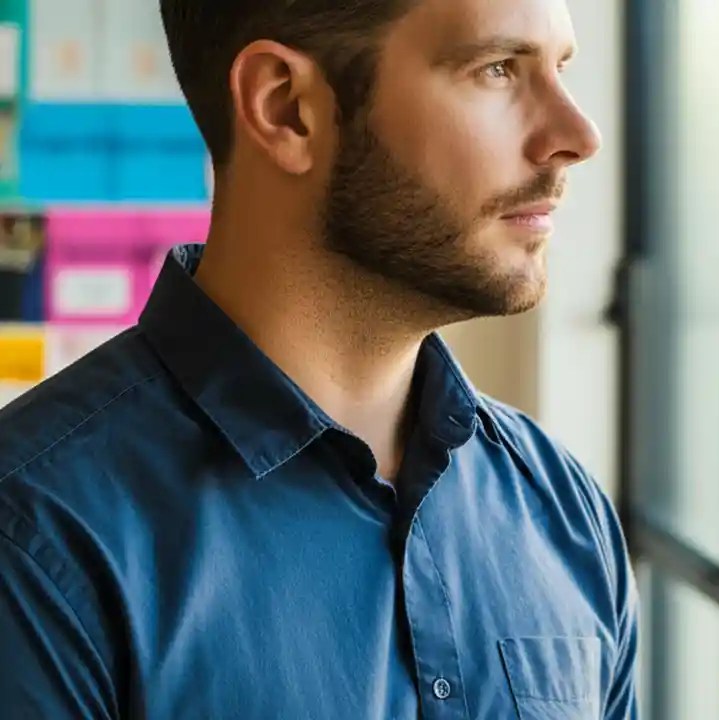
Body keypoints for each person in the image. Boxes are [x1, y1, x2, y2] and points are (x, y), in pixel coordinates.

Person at [0, 0, 637, 717]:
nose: (578, 136)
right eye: (496, 69)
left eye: (560, 69)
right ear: (287, 107)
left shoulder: (561, 509)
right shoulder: (34, 544)